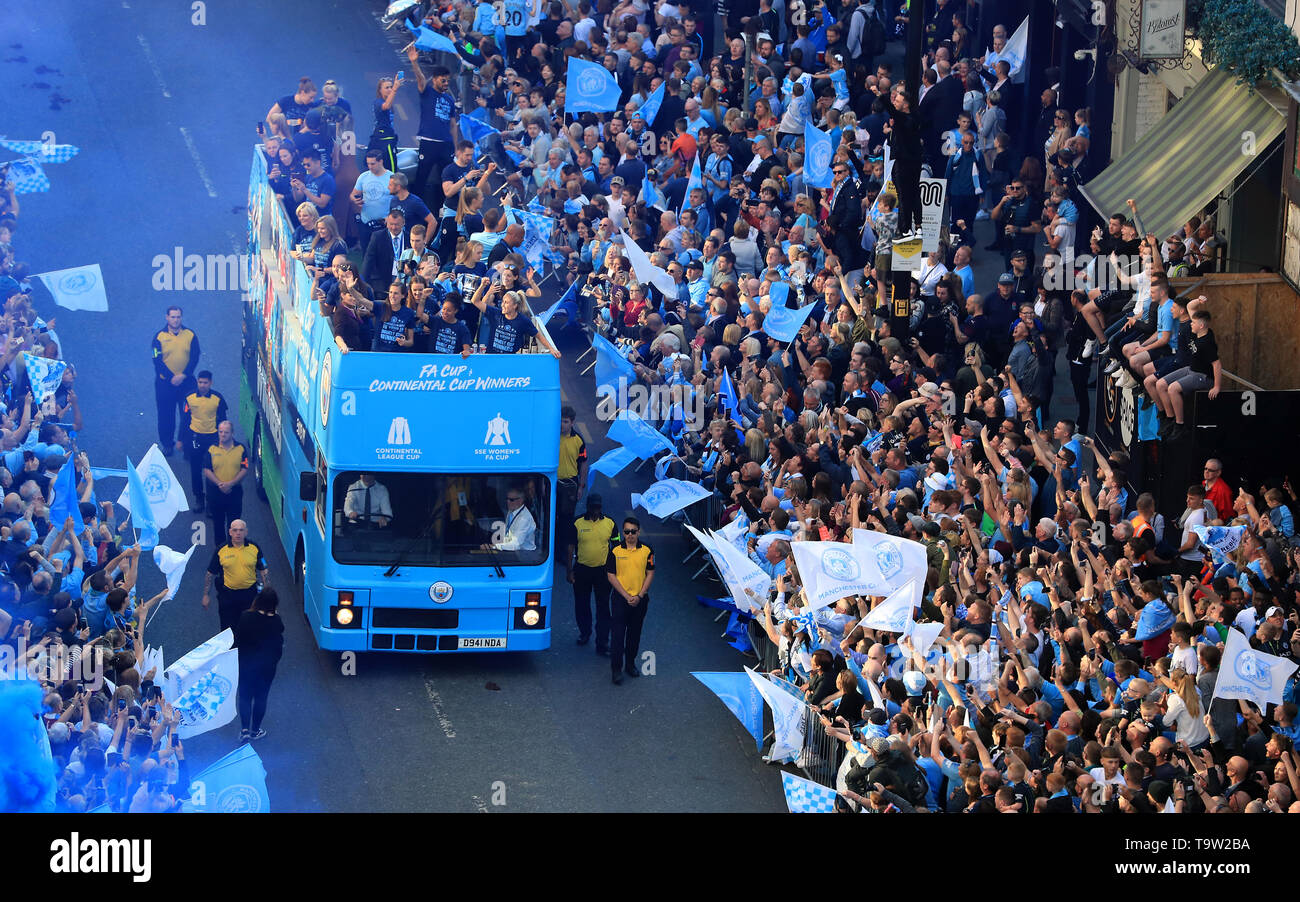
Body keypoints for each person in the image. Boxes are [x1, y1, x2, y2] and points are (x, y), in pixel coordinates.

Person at [407, 48, 461, 215]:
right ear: (435, 79)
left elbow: (453, 125)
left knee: (446, 179)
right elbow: (421, 79)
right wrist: (414, 62)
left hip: (446, 145)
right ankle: (414, 210)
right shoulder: (427, 92)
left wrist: (456, 146)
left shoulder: (449, 100)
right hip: (429, 142)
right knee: (421, 177)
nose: (446, 84)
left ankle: (443, 210)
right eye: (443, 81)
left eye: (448, 81)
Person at [606, 514, 654, 684]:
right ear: (623, 533)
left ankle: (630, 664)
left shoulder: (647, 550)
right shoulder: (615, 551)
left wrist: (640, 595)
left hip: (640, 601)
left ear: (638, 532)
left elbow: (650, 573)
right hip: (620, 600)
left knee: (634, 635)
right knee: (618, 636)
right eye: (627, 532)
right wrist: (626, 595)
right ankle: (616, 669)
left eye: (633, 531)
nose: (630, 535)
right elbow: (611, 575)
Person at [233, 587, 284, 743]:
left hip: (246, 664)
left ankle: (244, 731)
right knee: (261, 697)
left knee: (245, 696)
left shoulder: (246, 617)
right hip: (267, 667)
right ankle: (255, 730)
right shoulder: (276, 622)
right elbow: (278, 646)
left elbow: (237, 641)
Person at [568, 492, 614, 654]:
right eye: (593, 507)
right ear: (587, 506)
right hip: (582, 570)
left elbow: (616, 546)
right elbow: (571, 547)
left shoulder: (610, 523)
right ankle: (584, 633)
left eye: (598, 507)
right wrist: (569, 570)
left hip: (603, 572)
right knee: (582, 604)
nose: (595, 510)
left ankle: (602, 642)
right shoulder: (577, 523)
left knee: (603, 607)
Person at [203, 519, 269, 633]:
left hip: (250, 596)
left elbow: (264, 571)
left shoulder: (254, 548)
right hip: (228, 597)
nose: (238, 533)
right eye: (235, 530)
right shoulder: (221, 550)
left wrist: (267, 595)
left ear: (246, 532)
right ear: (230, 532)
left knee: (250, 628)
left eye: (241, 530)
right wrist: (206, 595)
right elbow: (210, 573)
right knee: (227, 631)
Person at [151, 306, 200, 458]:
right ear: (167, 317)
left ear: (182, 318)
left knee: (189, 414)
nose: (175, 320)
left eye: (178, 317)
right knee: (166, 415)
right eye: (173, 317)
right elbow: (157, 361)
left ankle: (186, 444)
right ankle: (167, 444)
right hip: (165, 384)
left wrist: (184, 375)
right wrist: (172, 376)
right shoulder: (158, 338)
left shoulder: (190, 335)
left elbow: (195, 356)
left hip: (186, 382)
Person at [181, 370, 227, 509]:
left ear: (210, 383)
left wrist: (224, 439)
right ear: (197, 382)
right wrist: (181, 440)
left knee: (211, 471)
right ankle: (199, 499)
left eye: (205, 383)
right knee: (195, 470)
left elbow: (223, 420)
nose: (202, 385)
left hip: (212, 438)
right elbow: (184, 420)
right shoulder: (189, 397)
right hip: (195, 438)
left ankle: (211, 502)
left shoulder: (217, 398)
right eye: (200, 382)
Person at [203, 420, 249, 538]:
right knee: (218, 524)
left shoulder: (241, 449)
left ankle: (233, 548)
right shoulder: (211, 449)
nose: (223, 435)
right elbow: (207, 470)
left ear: (232, 433)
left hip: (235, 492)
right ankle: (220, 550)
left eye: (226, 432)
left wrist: (231, 484)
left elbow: (244, 469)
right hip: (216, 493)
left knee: (234, 524)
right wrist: (220, 484)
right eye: (220, 432)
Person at [482, 484, 536, 551]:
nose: (508, 502)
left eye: (511, 500)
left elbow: (516, 544)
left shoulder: (524, 519)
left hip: (526, 556)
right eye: (507, 499)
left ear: (521, 500)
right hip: (513, 553)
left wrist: (494, 547)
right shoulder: (511, 511)